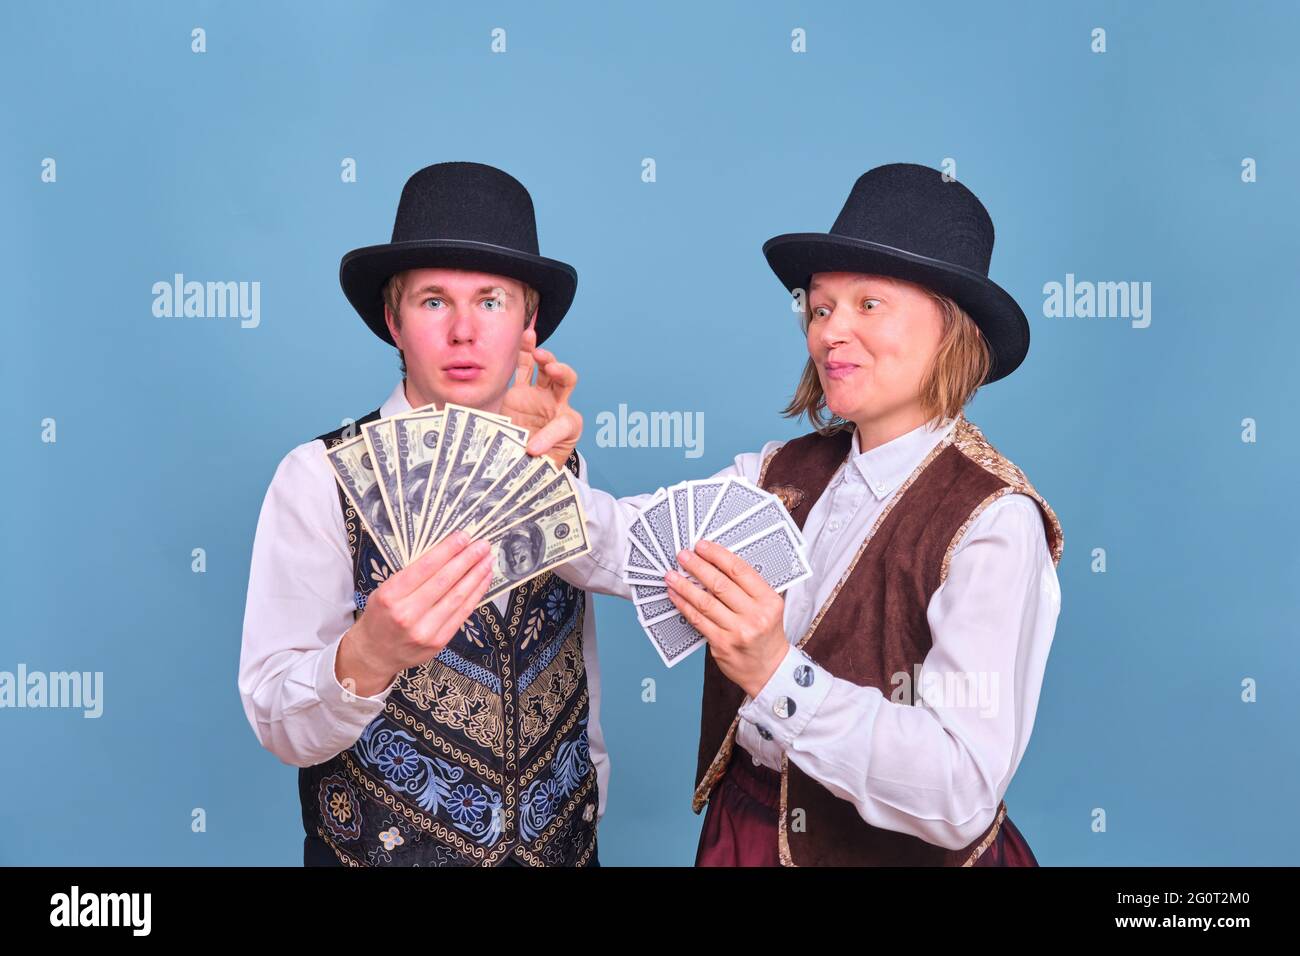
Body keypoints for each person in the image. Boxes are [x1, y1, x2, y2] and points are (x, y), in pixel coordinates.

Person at [533, 162, 1064, 865]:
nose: (831, 332)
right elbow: (621, 547)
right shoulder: (773, 472)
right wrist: (537, 470)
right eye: (819, 309)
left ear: (952, 329)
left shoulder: (994, 521)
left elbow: (959, 791)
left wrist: (776, 673)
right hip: (743, 834)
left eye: (868, 304)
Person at [238, 161, 605, 867]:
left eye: (491, 301)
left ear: (528, 324)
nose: (464, 331)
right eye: (435, 301)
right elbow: (278, 722)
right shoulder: (317, 477)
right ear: (393, 320)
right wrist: (367, 655)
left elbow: (579, 689)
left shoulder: (564, 470)